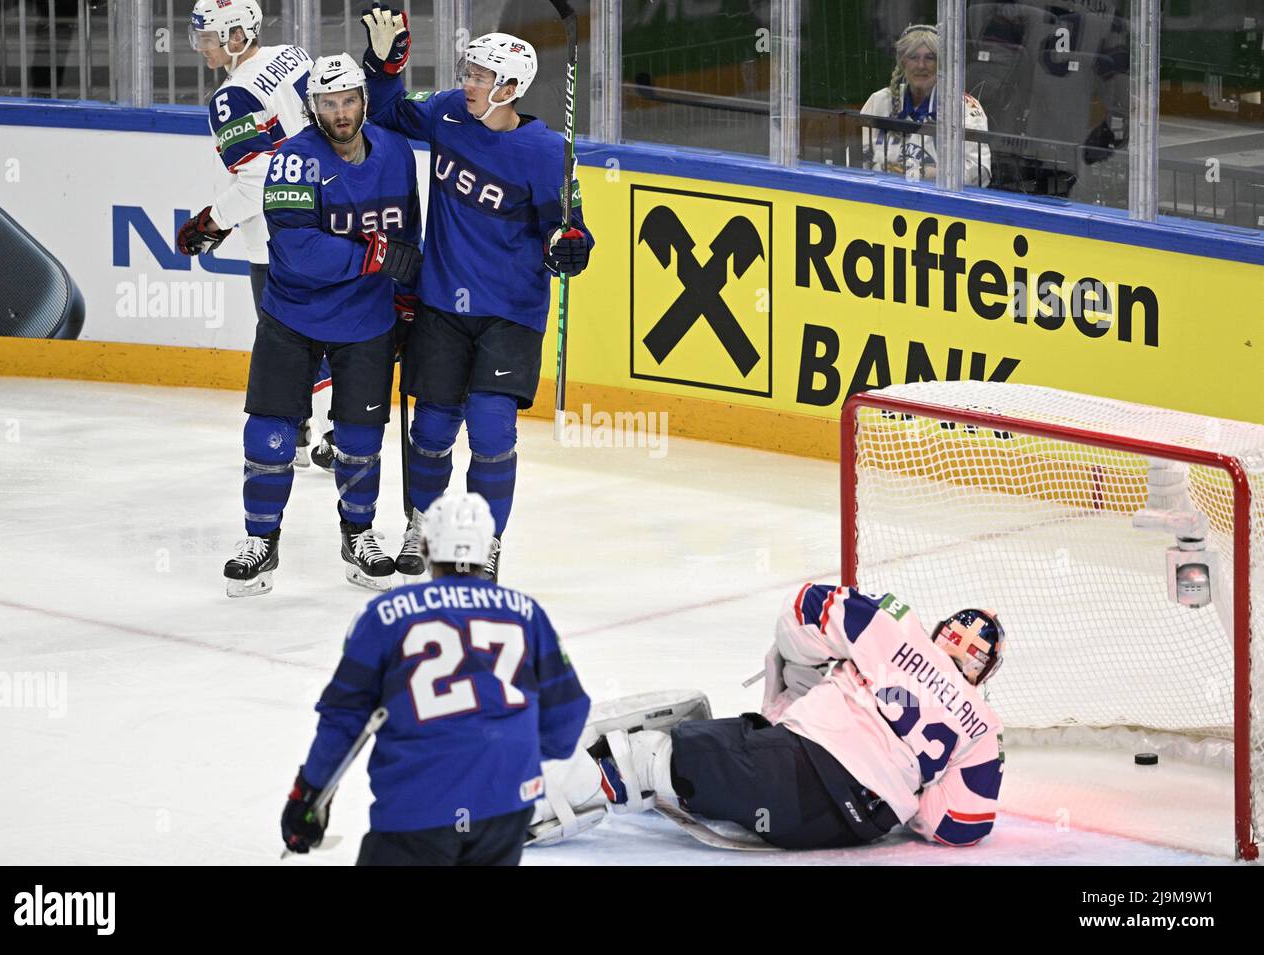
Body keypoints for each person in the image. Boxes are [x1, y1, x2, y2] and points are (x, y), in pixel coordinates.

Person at [360, 6, 596, 583]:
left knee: (491, 431)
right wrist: (385, 64)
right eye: (467, 72)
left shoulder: (545, 153)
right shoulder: (447, 114)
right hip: (441, 302)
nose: (466, 83)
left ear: (511, 88)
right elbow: (389, 112)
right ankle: (423, 525)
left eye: (479, 77)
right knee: (432, 429)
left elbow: (569, 230)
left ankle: (481, 542)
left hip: (510, 312)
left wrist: (571, 245)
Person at [530, 585, 1007, 850]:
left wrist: (807, 664)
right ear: (982, 672)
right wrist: (905, 790)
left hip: (793, 767)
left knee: (645, 756)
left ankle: (528, 804)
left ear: (942, 629)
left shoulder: (894, 627)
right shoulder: (984, 727)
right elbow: (959, 825)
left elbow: (803, 608)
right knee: (715, 755)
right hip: (848, 827)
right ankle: (708, 783)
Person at [280, 492, 591, 865]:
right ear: (487, 549)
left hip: (419, 806)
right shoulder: (526, 613)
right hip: (504, 806)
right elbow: (568, 718)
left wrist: (309, 793)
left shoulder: (385, 615)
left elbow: (343, 718)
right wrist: (506, 758)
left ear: (426, 548)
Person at [222, 53, 423, 597]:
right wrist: (370, 258)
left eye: (349, 100)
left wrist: (406, 304)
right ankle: (260, 541)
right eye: (328, 103)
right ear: (312, 107)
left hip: (368, 322)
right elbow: (294, 249)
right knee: (268, 435)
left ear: (363, 100)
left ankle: (358, 536)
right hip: (292, 317)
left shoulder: (397, 154)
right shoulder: (293, 159)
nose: (340, 112)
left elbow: (406, 237)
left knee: (359, 440)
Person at [180, 0, 330, 468]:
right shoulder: (294, 54)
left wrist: (213, 220)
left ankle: (322, 432)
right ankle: (317, 430)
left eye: (209, 37)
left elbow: (259, 180)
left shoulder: (231, 96)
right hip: (329, 212)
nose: (201, 46)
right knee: (325, 328)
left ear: (237, 36)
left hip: (279, 236)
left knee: (288, 338)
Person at [861, 24, 991, 187]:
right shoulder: (879, 101)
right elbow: (858, 157)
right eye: (914, 57)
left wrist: (927, 174)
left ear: (941, 64)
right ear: (903, 62)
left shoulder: (965, 109)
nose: (921, 65)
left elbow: (980, 173)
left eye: (930, 58)